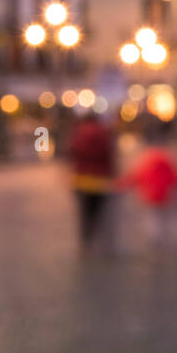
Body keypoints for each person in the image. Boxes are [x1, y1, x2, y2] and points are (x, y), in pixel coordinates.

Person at [117, 140, 177, 247]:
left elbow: (135, 177)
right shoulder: (167, 163)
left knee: (154, 218)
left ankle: (155, 239)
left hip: (151, 195)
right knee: (165, 216)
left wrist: (121, 184)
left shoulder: (147, 163)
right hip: (165, 195)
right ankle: (168, 237)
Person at [67, 109, 116, 254]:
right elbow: (109, 155)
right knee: (99, 211)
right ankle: (102, 241)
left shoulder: (78, 133)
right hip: (99, 178)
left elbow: (72, 153)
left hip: (81, 179)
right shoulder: (104, 133)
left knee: (84, 212)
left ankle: (86, 241)